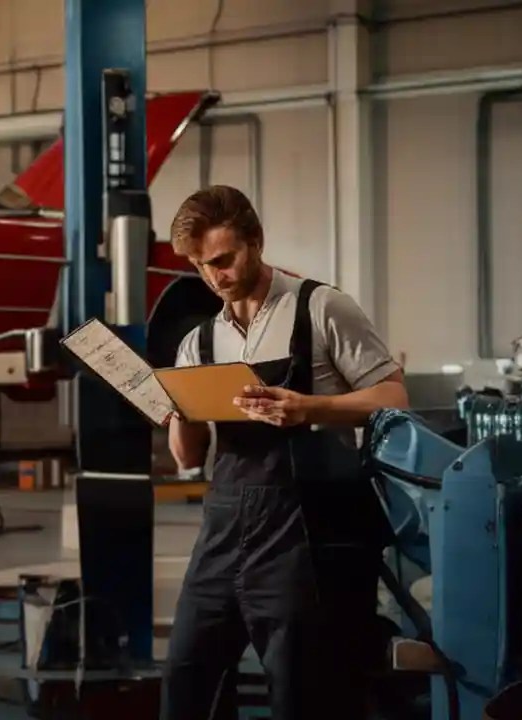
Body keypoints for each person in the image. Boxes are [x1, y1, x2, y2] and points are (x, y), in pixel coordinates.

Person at [160, 185, 409, 719]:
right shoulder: (198, 343)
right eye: (201, 267)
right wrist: (177, 412)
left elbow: (393, 398)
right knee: (187, 677)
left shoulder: (321, 307)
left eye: (223, 260)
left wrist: (309, 408)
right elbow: (186, 457)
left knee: (305, 691)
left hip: (308, 534)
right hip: (224, 531)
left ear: (256, 240)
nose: (215, 277)